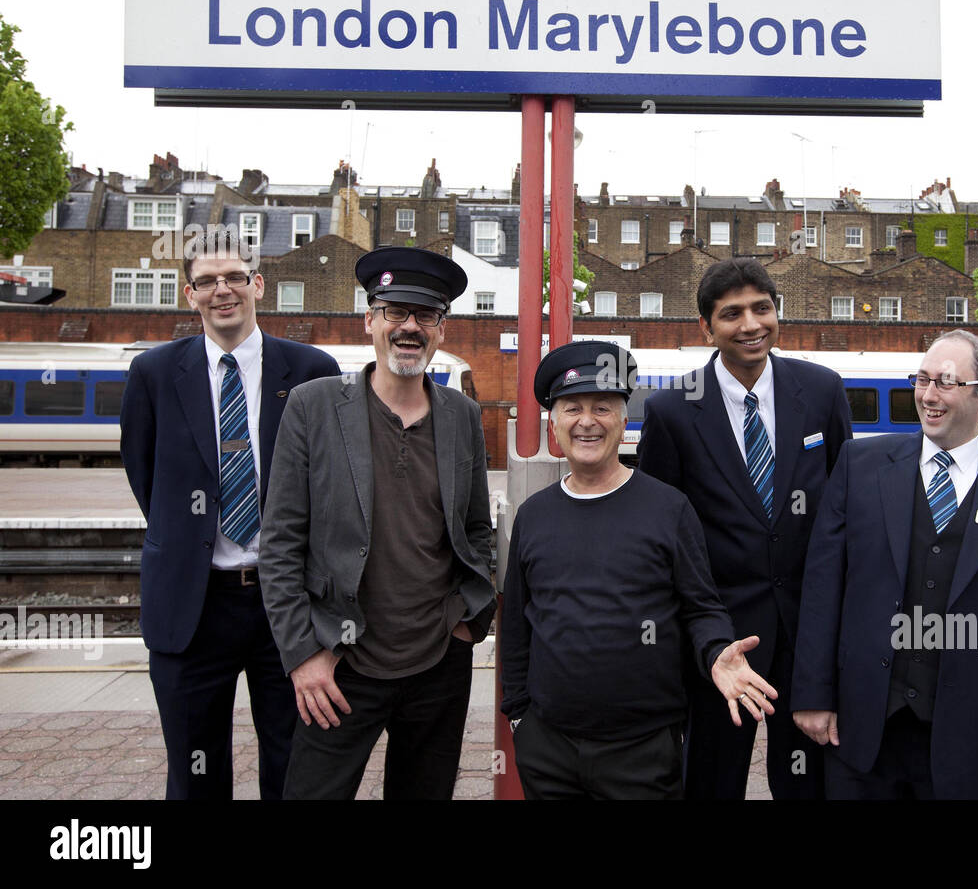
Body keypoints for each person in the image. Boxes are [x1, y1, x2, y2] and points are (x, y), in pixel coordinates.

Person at [791, 329, 978, 799]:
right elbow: (823, 587)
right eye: (921, 380)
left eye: (946, 382)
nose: (928, 396)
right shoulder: (859, 465)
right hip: (862, 732)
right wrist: (812, 694)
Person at [259, 246, 496, 800]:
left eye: (425, 315)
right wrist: (302, 655)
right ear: (370, 320)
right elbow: (281, 543)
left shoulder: (462, 415)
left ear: (441, 330)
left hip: (438, 661)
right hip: (339, 662)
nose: (409, 327)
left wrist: (468, 622)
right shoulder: (313, 406)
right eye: (395, 312)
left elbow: (477, 528)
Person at [501, 340, 778, 800]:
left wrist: (716, 652)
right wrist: (519, 716)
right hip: (547, 748)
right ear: (554, 424)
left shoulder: (668, 508)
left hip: (643, 750)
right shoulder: (534, 515)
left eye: (602, 408)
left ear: (624, 421)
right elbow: (516, 623)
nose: (587, 421)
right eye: (572, 408)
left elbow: (701, 607)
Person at [119, 242, 340, 799]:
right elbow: (144, 475)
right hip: (192, 607)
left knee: (294, 772)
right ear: (189, 294)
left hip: (287, 604)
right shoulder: (153, 373)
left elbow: (332, 486)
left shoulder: (312, 371)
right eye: (207, 280)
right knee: (195, 774)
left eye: (236, 276)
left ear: (258, 285)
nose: (223, 290)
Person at [637, 259, 851, 800]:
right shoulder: (671, 410)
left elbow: (844, 511)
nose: (751, 324)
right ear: (706, 328)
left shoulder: (822, 391)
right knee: (712, 780)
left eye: (762, 308)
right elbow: (661, 533)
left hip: (807, 635)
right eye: (732, 314)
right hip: (719, 640)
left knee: (808, 782)